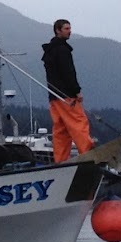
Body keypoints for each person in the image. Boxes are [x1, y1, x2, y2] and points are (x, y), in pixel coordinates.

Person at [41, 18, 93, 163]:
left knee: (61, 130)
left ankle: (61, 160)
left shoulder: (49, 51)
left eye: (70, 28)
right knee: (79, 123)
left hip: (54, 96)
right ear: (58, 30)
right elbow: (68, 72)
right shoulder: (62, 50)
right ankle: (88, 153)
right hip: (67, 96)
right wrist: (76, 91)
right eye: (66, 29)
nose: (70, 31)